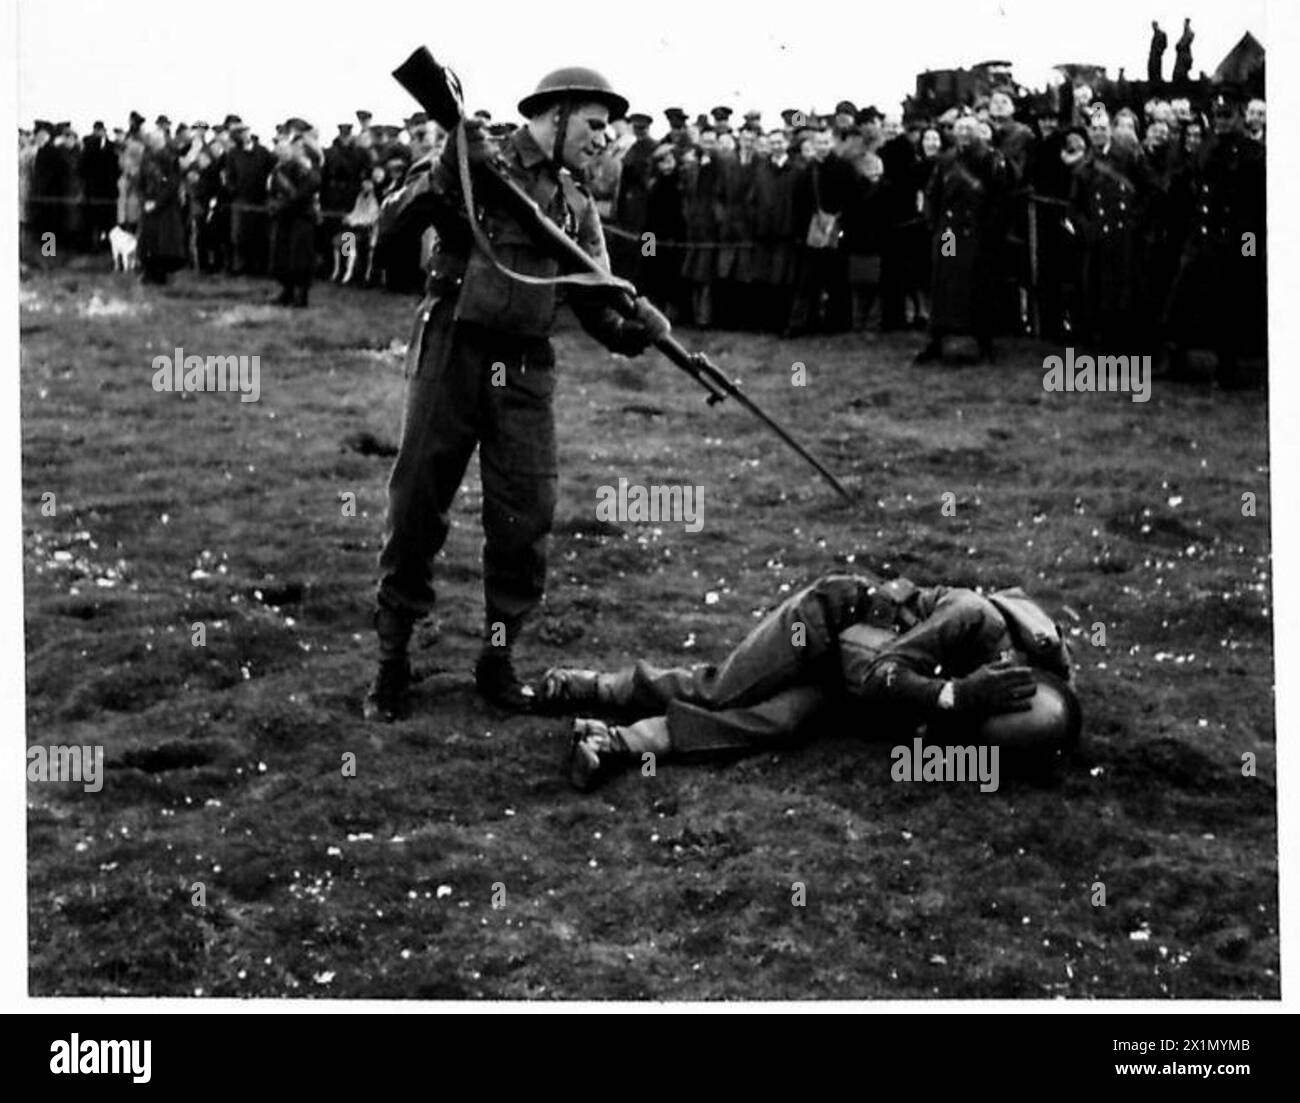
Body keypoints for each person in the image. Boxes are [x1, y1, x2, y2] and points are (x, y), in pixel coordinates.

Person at [364, 66, 662, 721]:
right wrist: (446, 168)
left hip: (526, 367)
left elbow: (595, 302)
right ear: (553, 116)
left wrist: (635, 330)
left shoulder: (576, 202)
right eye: (593, 125)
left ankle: (497, 662)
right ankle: (391, 664)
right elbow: (389, 230)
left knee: (525, 520)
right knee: (417, 503)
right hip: (452, 348)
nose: (603, 139)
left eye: (608, 130)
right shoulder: (476, 156)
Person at [539, 570, 1079, 791]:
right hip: (829, 624)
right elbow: (880, 675)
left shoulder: (1047, 692)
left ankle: (616, 743)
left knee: (779, 722)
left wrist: (953, 711)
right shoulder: (971, 618)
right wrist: (954, 696)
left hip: (857, 681)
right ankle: (593, 688)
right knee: (724, 689)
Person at [915, 115, 1008, 364]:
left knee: (978, 285)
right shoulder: (945, 160)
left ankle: (984, 342)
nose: (964, 133)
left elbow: (999, 200)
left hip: (977, 233)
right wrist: (936, 225)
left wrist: (989, 230)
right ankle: (937, 339)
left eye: (969, 129)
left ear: (978, 131)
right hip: (949, 234)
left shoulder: (990, 159)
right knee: (944, 282)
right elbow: (933, 194)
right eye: (960, 129)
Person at [268, 122, 322, 307]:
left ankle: (301, 295)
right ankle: (287, 291)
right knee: (284, 257)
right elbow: (277, 188)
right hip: (286, 218)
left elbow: (307, 189)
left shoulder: (311, 167)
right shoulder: (286, 167)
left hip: (303, 218)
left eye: (298, 145)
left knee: (301, 260)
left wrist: (284, 205)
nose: (295, 148)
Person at [137, 126, 187, 284]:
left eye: (157, 139)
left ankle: (161, 275)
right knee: (149, 244)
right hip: (148, 206)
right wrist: (145, 201)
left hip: (165, 209)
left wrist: (157, 203)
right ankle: (148, 272)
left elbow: (172, 184)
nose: (154, 142)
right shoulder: (146, 159)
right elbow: (140, 183)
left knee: (164, 246)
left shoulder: (171, 159)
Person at [1172, 18, 1194, 85]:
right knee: (1180, 67)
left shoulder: (1189, 32)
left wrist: (1180, 46)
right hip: (1182, 53)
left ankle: (1182, 77)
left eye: (1185, 23)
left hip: (1184, 53)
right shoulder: (1185, 33)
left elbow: (1186, 41)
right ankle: (1180, 77)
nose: (1184, 25)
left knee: (1181, 67)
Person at [1148, 20, 1168, 85]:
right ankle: (1153, 83)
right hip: (1152, 55)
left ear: (1156, 25)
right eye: (1152, 26)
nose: (1153, 27)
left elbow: (1165, 45)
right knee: (1151, 70)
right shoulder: (1155, 34)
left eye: (1154, 25)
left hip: (1157, 55)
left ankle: (1157, 83)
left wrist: (1159, 51)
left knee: (1156, 70)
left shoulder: (1162, 33)